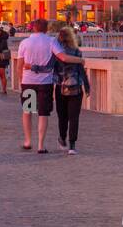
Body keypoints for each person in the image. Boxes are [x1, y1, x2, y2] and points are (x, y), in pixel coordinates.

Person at [16, 18, 84, 154]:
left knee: (27, 112)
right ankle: (41, 145)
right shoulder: (51, 41)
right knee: (43, 113)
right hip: (44, 83)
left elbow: (19, 66)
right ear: (46, 29)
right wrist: (80, 60)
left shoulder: (25, 43)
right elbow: (63, 57)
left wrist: (21, 81)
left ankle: (28, 141)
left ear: (33, 27)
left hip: (28, 82)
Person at [52, 26, 91, 155]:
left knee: (62, 116)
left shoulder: (56, 52)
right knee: (74, 117)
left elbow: (50, 68)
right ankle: (72, 145)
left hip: (60, 87)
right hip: (75, 88)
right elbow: (81, 71)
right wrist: (87, 87)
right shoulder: (77, 52)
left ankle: (62, 138)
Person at [0, 27, 12, 93]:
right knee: (1, 75)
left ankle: (4, 90)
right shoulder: (1, 41)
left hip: (1, 60)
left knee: (2, 75)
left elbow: (0, 49)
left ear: (1, 34)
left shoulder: (3, 41)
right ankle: (3, 89)